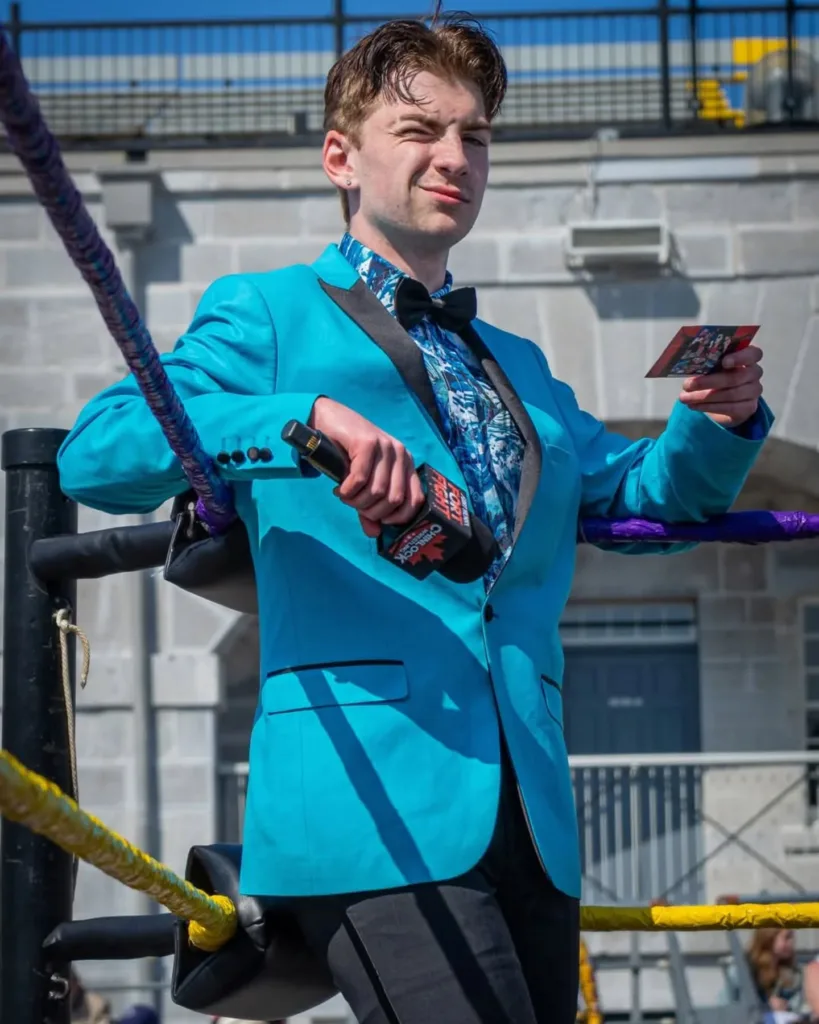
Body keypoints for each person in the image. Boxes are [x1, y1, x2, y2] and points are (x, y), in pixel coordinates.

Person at [57, 8, 770, 1023]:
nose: (455, 157)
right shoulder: (265, 312)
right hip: (370, 797)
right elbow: (103, 447)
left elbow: (650, 493)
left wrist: (721, 417)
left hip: (533, 813)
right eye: (420, 131)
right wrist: (301, 420)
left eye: (475, 136)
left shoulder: (520, 366)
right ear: (341, 157)